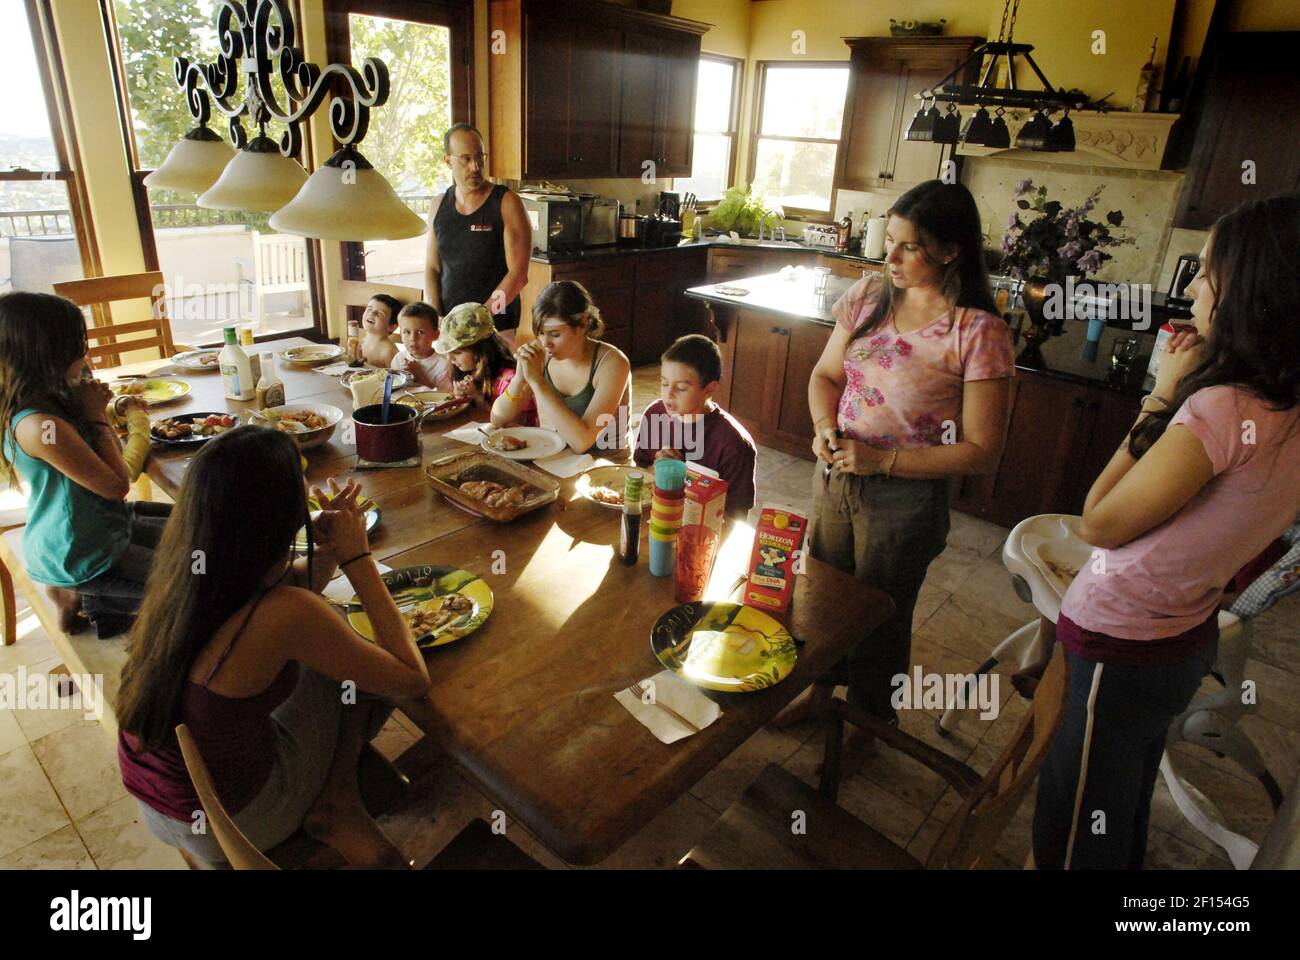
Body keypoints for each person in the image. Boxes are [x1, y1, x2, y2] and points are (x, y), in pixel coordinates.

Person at [1032, 193, 1300, 870]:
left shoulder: (1222, 409)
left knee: (1074, 820)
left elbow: (1099, 520)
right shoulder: (1285, 405)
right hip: (1185, 635)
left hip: (1123, 641)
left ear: (1253, 292)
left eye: (1208, 273)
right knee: (1118, 798)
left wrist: (1164, 391)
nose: (1196, 288)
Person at [116, 427, 430, 868]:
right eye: (300, 478)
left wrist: (332, 550)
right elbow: (411, 679)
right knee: (350, 657)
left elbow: (276, 604)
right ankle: (336, 801)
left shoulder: (188, 568)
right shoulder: (287, 614)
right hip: (235, 819)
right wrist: (359, 560)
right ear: (278, 514)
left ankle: (337, 794)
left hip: (162, 800)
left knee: (332, 647)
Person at [785, 180, 1014, 755]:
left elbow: (983, 450)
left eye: (908, 247)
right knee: (826, 603)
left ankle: (869, 724)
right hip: (837, 476)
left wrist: (883, 459)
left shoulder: (977, 332)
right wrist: (822, 429)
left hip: (904, 499)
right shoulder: (866, 296)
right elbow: (825, 376)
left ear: (950, 250)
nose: (890, 258)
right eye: (890, 241)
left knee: (879, 619)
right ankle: (818, 698)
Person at [0, 291, 172, 639]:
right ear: (48, 354)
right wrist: (97, 417)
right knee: (195, 583)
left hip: (97, 524)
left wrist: (106, 408)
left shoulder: (46, 395)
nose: (85, 354)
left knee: (193, 530)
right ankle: (91, 597)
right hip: (83, 550)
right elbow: (115, 486)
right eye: (78, 345)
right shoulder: (38, 427)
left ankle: (97, 601)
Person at [424, 123, 531, 343]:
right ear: (448, 161)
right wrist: (436, 315)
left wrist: (483, 315)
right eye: (465, 159)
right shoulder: (438, 205)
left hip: (497, 325)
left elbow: (518, 276)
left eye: (479, 157)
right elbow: (432, 267)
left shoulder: (506, 202)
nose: (475, 166)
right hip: (452, 328)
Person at [634, 334, 757, 519]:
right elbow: (640, 473)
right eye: (664, 383)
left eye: (681, 388)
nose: (669, 394)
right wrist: (656, 469)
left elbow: (735, 516)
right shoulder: (655, 414)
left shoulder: (734, 444)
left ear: (709, 388)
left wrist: (686, 480)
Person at [504, 281, 631, 456]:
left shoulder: (613, 363)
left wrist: (537, 382)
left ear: (583, 324)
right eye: (540, 333)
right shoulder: (542, 352)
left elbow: (582, 442)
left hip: (606, 465)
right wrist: (520, 378)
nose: (546, 343)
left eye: (555, 334)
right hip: (557, 458)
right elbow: (499, 419)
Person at [433, 301, 538, 427]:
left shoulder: (510, 379)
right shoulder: (471, 370)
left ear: (481, 350)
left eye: (457, 352)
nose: (451, 359)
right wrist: (460, 396)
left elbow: (514, 424)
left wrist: (477, 397)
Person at [393, 301, 453, 392]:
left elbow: (443, 398)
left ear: (436, 335)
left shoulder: (443, 365)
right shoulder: (398, 359)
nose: (412, 338)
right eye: (407, 332)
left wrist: (420, 376)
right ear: (401, 334)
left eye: (420, 332)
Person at [359, 294, 402, 368]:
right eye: (369, 309)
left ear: (391, 327)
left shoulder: (389, 351)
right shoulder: (361, 342)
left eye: (380, 313)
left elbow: (396, 376)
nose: (372, 313)